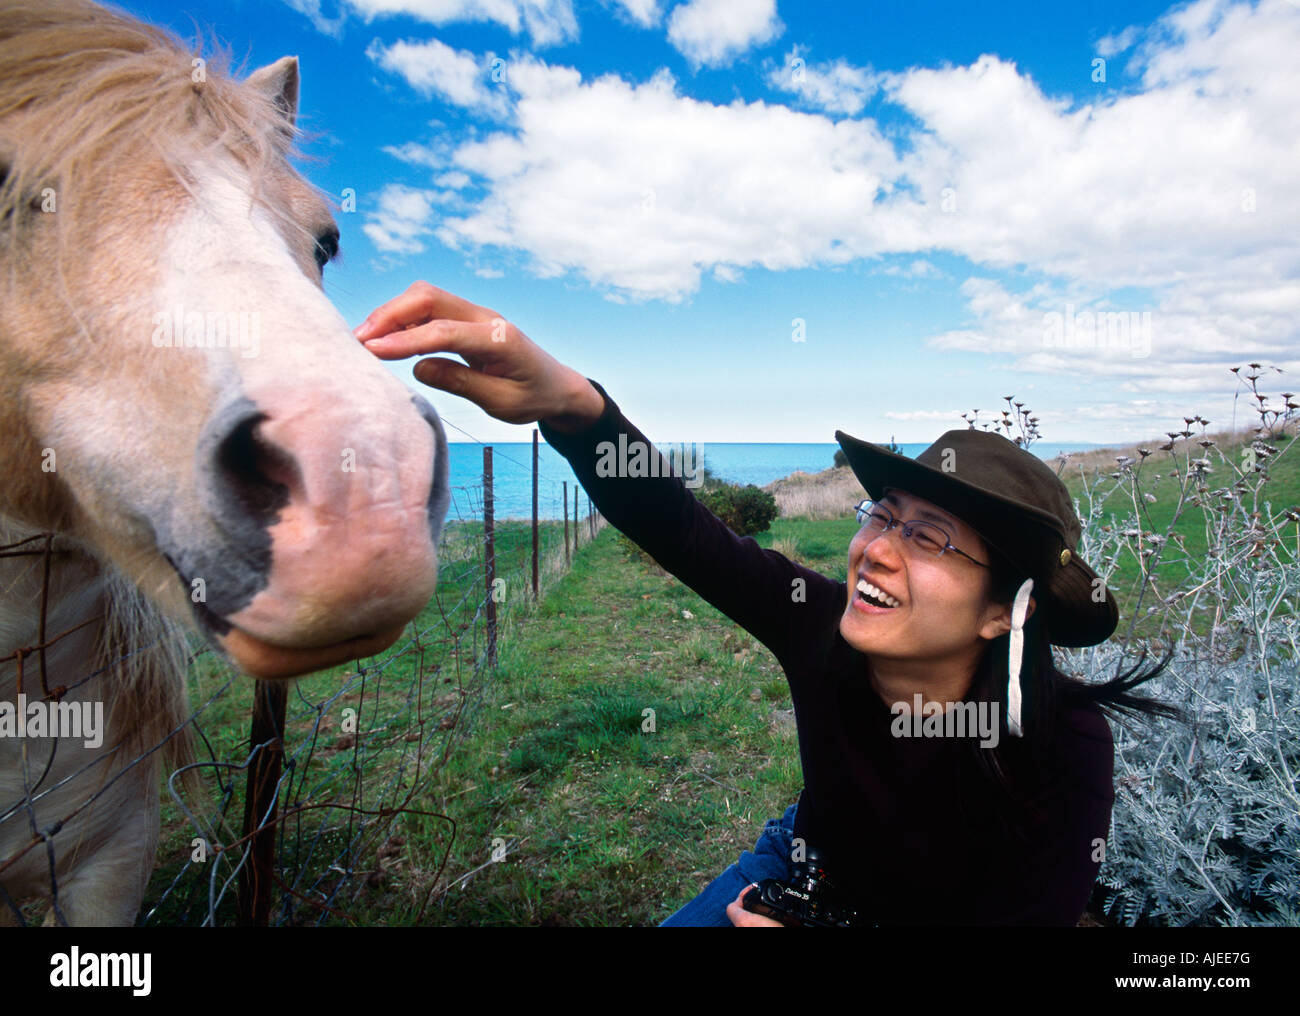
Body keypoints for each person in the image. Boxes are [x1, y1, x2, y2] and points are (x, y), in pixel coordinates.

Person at [353, 282, 1179, 926]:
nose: (877, 547)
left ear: (1006, 611)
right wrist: (574, 408)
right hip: (799, 863)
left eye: (930, 538)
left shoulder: (1061, 745)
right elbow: (683, 529)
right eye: (882, 515)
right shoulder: (820, 628)